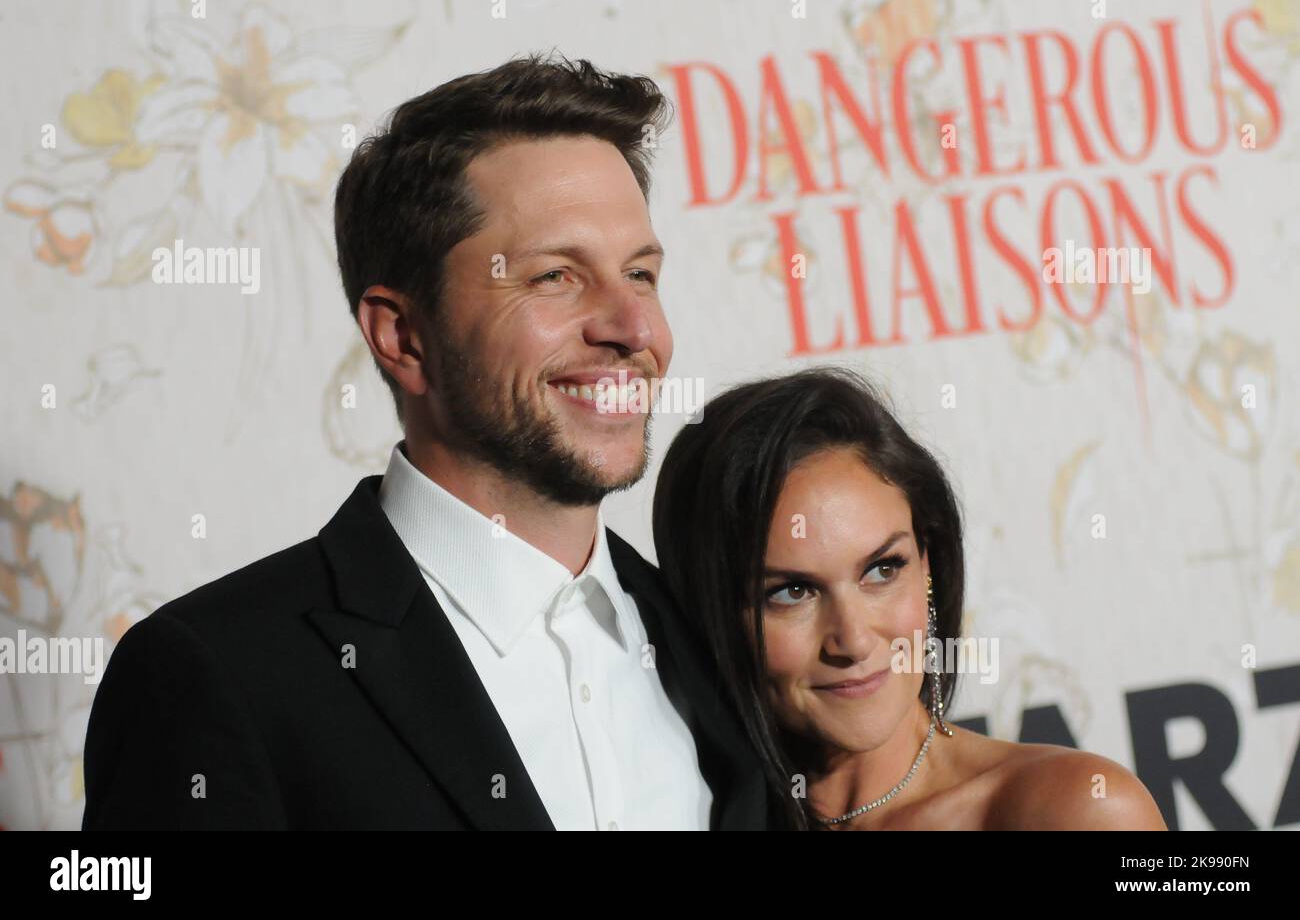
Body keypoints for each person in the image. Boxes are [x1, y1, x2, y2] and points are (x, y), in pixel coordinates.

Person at [81, 52, 768, 830]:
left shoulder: (723, 638)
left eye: (640, 274)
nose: (634, 328)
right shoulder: (216, 673)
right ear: (403, 336)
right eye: (555, 277)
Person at [651, 366, 1167, 830]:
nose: (852, 640)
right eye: (793, 592)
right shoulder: (672, 810)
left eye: (881, 569)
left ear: (928, 563)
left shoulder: (1073, 812)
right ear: (713, 615)